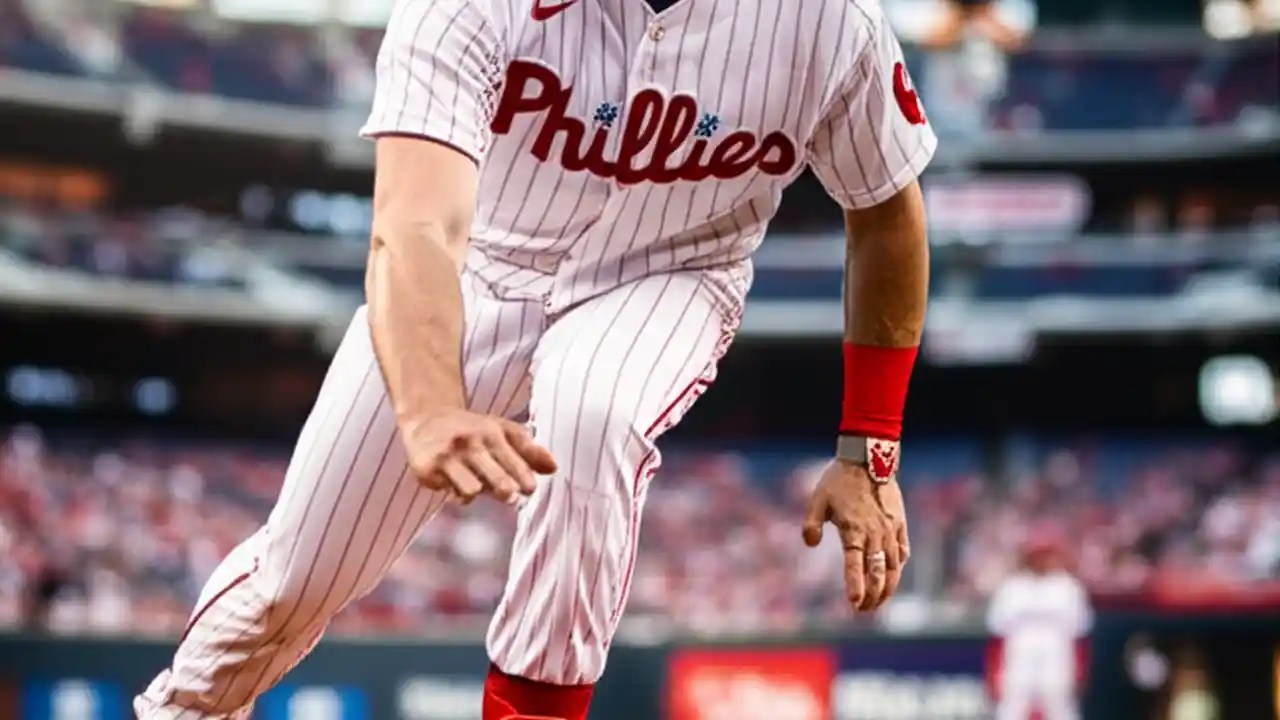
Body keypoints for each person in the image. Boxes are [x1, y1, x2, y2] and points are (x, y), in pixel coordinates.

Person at [135, 0, 934, 716]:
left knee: (593, 413)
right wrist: (429, 407)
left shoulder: (830, 18)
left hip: (672, 272)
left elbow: (886, 212)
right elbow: (417, 228)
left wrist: (870, 448)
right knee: (295, 581)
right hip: (477, 270)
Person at [986, 530, 1093, 720]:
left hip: (1056, 655)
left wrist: (1080, 670)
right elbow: (998, 631)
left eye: (1046, 554)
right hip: (1020, 655)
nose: (1041, 560)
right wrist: (995, 670)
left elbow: (1080, 633)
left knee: (1061, 708)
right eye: (1037, 555)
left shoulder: (1068, 587)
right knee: (1012, 708)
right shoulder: (1012, 587)